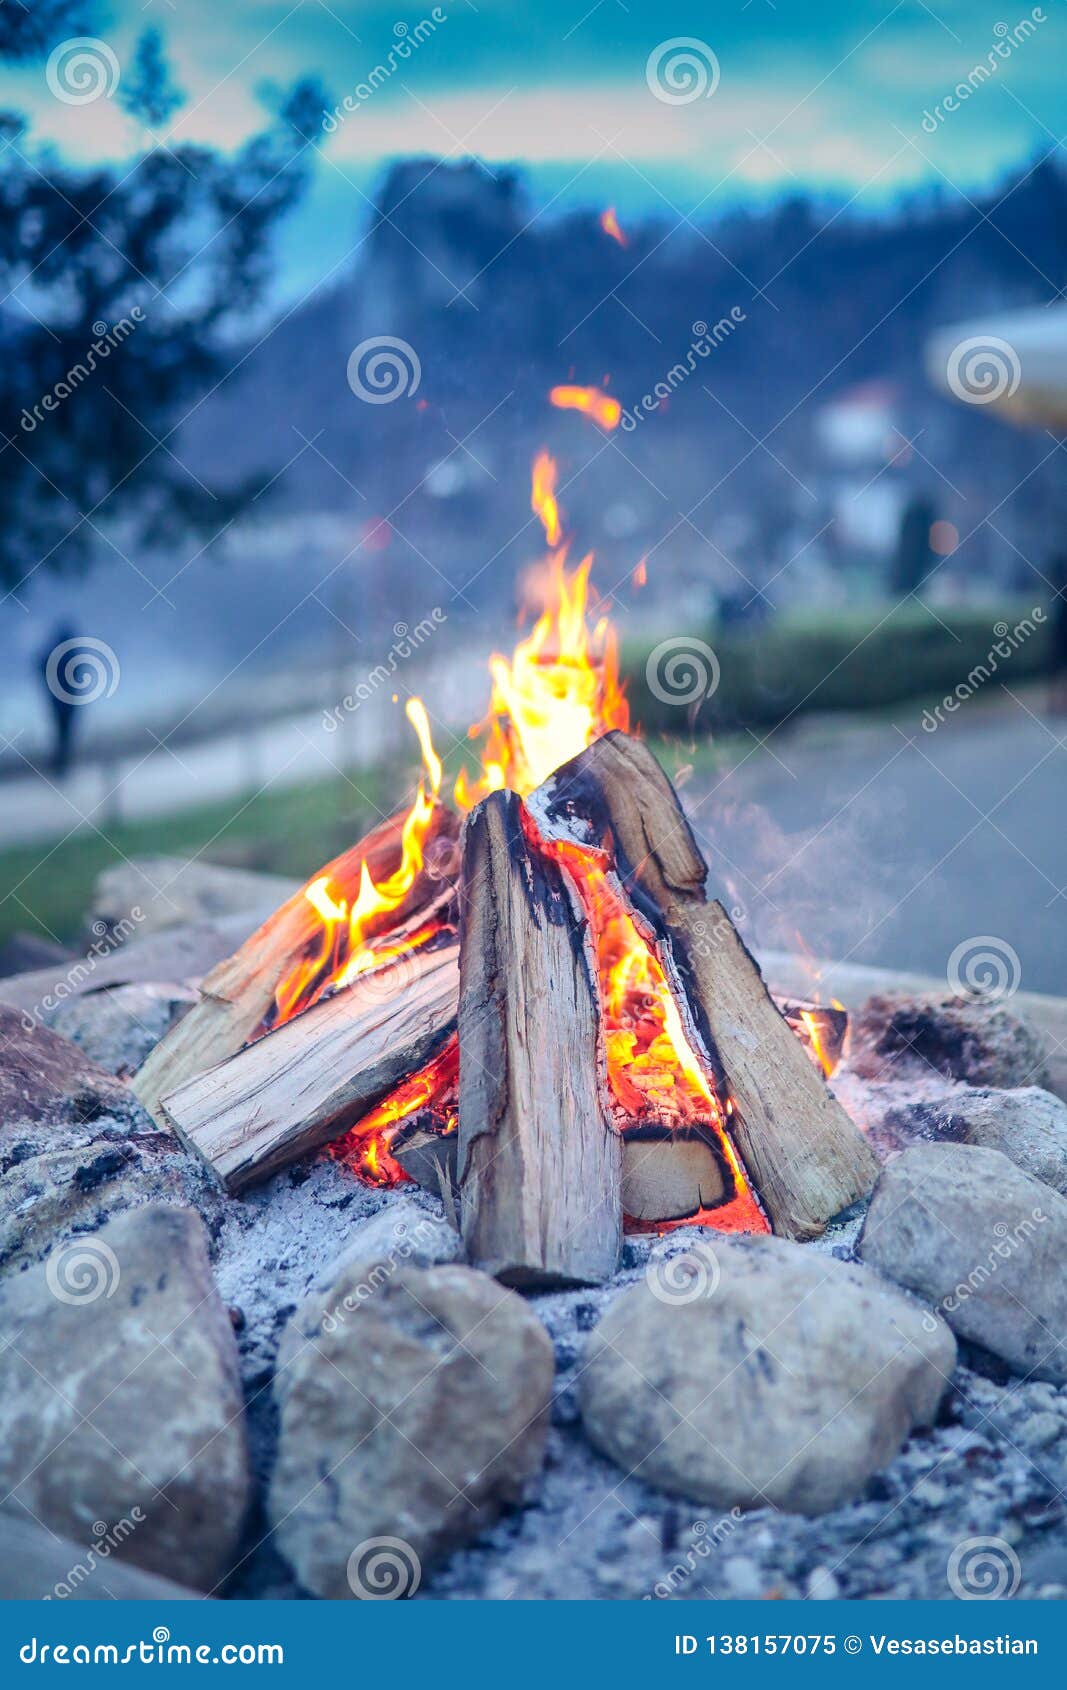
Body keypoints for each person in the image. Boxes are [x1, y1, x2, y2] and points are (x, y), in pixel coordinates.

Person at [37, 624, 80, 775]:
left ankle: (60, 766)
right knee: (64, 736)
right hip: (67, 704)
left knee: (61, 735)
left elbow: (40, 666)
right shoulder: (72, 655)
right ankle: (60, 767)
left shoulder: (55, 655)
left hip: (60, 703)